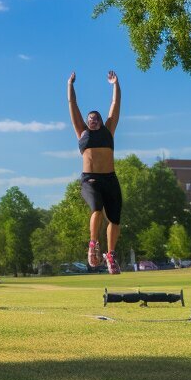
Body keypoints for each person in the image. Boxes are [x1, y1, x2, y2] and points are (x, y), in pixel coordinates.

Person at [67, 70, 123, 274]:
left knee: (115, 220)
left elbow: (115, 106)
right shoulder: (82, 132)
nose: (93, 120)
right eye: (90, 118)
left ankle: (111, 255)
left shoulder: (109, 130)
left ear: (100, 120)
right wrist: (70, 85)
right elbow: (73, 105)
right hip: (90, 180)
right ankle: (93, 244)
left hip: (110, 179)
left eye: (96, 117)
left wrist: (115, 84)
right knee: (97, 208)